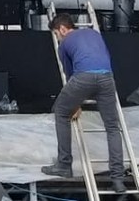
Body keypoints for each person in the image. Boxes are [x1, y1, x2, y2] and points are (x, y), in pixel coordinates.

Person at [42, 12, 126, 194]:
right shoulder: (95, 34)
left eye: (56, 34)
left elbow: (70, 76)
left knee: (61, 113)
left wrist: (76, 104)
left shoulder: (64, 45)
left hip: (83, 78)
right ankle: (118, 179)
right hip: (107, 77)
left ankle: (64, 165)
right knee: (112, 127)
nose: (57, 38)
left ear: (62, 29)